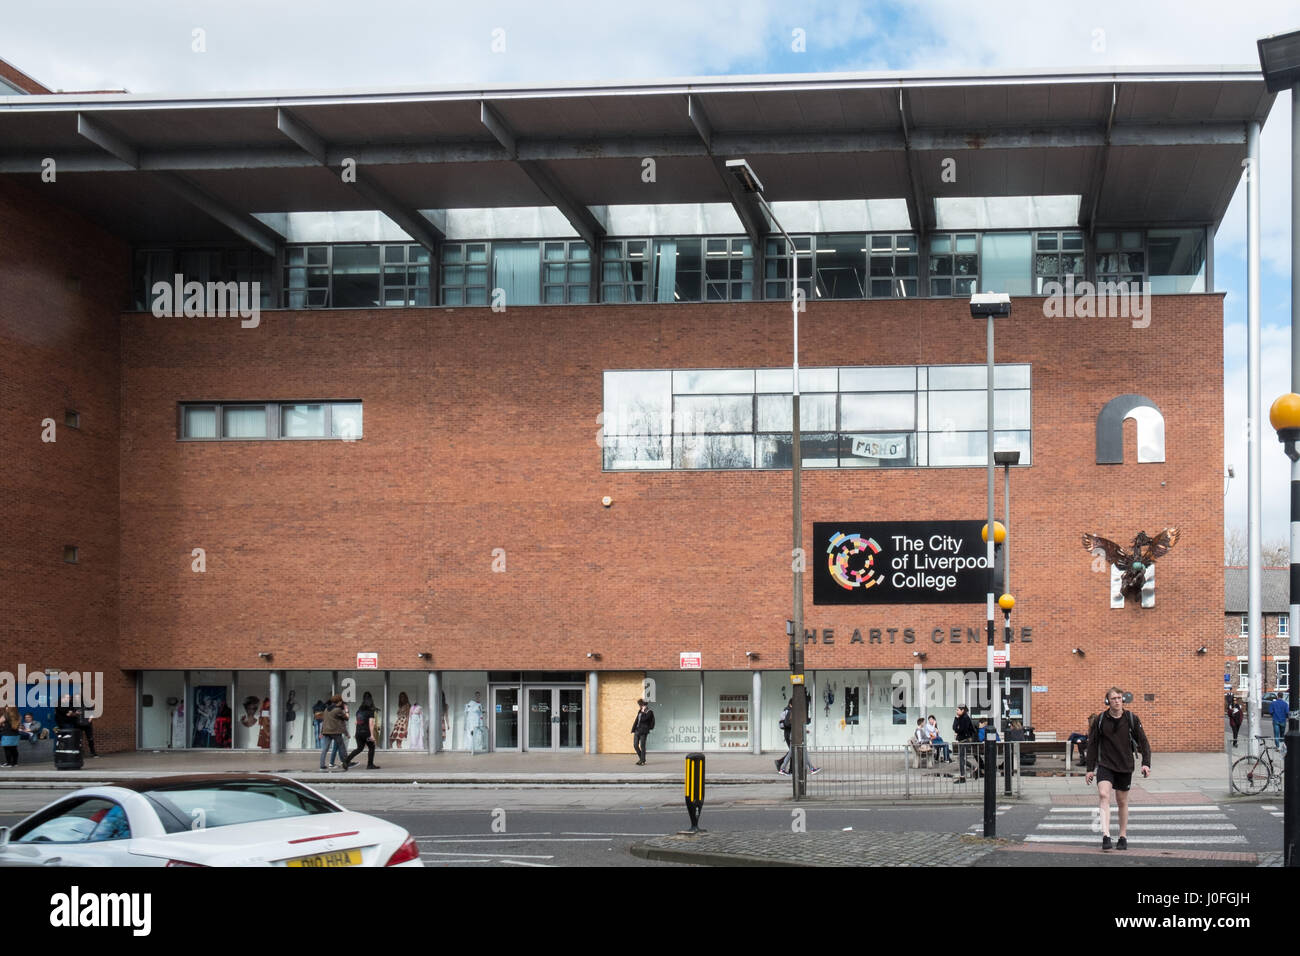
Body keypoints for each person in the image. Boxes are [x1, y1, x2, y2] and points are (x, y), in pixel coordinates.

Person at [1085, 686, 1152, 851]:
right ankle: (1106, 835)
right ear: (1108, 701)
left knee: (1122, 801)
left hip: (1124, 765)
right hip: (1105, 764)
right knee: (1103, 795)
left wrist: (1146, 763)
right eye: (1113, 698)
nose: (1117, 701)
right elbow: (1092, 745)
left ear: (1123, 699)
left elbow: (1143, 742)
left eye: (1119, 698)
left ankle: (1122, 836)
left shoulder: (1131, 718)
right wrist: (1089, 768)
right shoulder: (1100, 720)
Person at [776, 700, 820, 775]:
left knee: (797, 752)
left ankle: (783, 768)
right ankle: (783, 768)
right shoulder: (792, 712)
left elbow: (797, 724)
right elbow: (791, 723)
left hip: (796, 735)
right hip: (795, 736)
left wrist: (804, 730)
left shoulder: (794, 712)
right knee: (795, 753)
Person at [346, 691, 381, 769]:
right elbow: (371, 723)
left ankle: (346, 761)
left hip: (359, 732)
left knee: (359, 748)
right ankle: (370, 765)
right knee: (371, 747)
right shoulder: (370, 711)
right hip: (366, 733)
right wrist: (372, 735)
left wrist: (356, 733)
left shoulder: (359, 711)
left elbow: (357, 722)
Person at [318, 694, 350, 771]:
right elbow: (346, 718)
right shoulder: (338, 710)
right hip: (335, 732)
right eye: (341, 701)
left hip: (326, 732)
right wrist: (346, 710)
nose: (342, 703)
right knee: (342, 747)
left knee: (325, 749)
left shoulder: (326, 709)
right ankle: (346, 763)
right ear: (338, 702)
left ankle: (322, 765)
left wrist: (322, 732)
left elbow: (324, 721)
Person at [952, 704, 977, 779]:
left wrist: (957, 729)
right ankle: (973, 768)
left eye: (958, 710)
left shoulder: (965, 718)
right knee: (961, 758)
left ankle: (962, 775)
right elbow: (954, 727)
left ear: (962, 710)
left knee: (961, 758)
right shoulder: (961, 718)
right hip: (962, 739)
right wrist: (956, 719)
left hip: (965, 740)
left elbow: (960, 729)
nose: (956, 711)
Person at [631, 699, 654, 765]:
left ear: (645, 705)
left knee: (642, 746)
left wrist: (643, 712)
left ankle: (642, 760)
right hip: (637, 730)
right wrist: (633, 728)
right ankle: (642, 759)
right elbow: (637, 720)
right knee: (635, 745)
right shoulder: (639, 711)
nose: (641, 706)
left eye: (642, 705)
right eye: (641, 705)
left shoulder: (650, 712)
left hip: (644, 731)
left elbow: (644, 719)